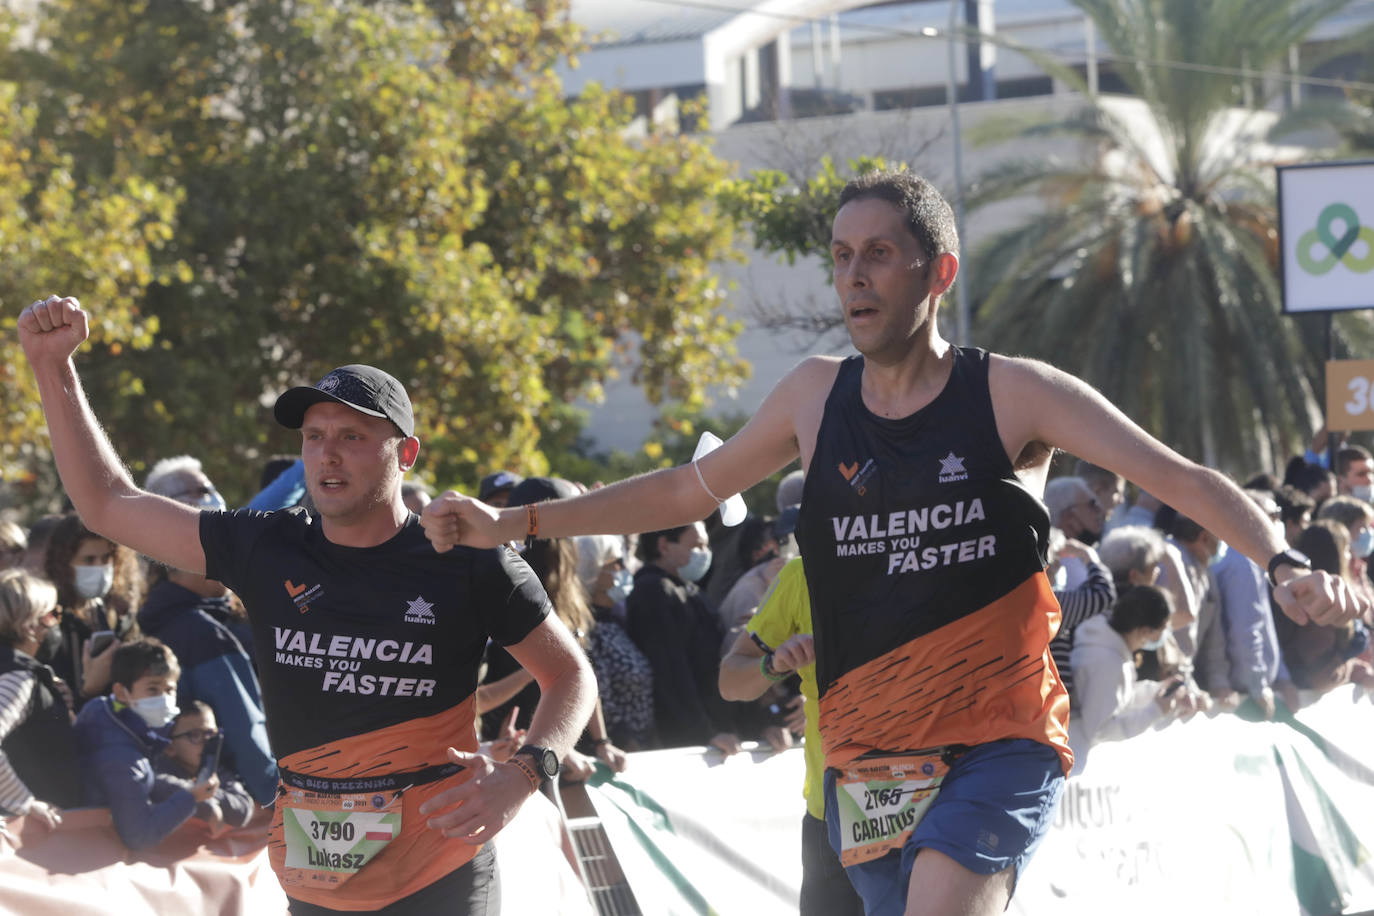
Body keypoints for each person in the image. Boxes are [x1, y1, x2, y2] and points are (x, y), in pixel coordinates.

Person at [420, 169, 1359, 916]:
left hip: (998, 738)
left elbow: (1183, 480)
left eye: (879, 253)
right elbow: (681, 488)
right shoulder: (813, 398)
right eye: (840, 257)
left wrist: (1281, 562)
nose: (855, 275)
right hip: (866, 765)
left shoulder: (1010, 394)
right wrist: (515, 523)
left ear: (938, 271)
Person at [18, 300, 596, 916]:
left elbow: (569, 674)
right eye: (314, 438)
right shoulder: (267, 543)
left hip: (439, 866)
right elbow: (108, 505)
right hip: (319, 869)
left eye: (351, 437)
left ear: (406, 454)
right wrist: (54, 369)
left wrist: (525, 774)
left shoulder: (465, 555)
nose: (327, 455)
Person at [719, 557, 865, 916]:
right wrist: (774, 665)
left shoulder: (950, 559)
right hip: (834, 818)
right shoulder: (805, 571)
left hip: (934, 816)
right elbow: (730, 681)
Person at [139, 455, 277, 805]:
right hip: (252, 803)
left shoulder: (226, 614)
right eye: (200, 490)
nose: (213, 495)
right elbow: (247, 734)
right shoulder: (197, 631)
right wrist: (281, 800)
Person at [74, 637, 218, 849]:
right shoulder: (123, 758)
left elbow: (140, 782)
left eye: (170, 690)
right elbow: (139, 835)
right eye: (152, 689)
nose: (164, 698)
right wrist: (190, 798)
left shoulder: (101, 710)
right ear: (122, 692)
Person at [626, 521, 742, 754]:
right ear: (664, 545)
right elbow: (670, 668)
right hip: (684, 738)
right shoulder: (653, 591)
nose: (705, 554)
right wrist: (705, 732)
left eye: (706, 546)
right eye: (696, 546)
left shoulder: (689, 589)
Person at [1067, 586, 1197, 770]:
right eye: (1163, 629)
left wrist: (1159, 689)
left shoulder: (1106, 643)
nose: (1165, 635)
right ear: (1145, 631)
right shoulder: (1109, 662)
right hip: (1069, 758)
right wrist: (1154, 711)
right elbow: (1099, 730)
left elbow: (1118, 696)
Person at [0, 569, 82, 824]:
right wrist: (23, 802)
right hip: (24, 839)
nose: (57, 623)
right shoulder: (18, 678)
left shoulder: (22, 674)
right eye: (53, 614)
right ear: (30, 624)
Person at [41, 512, 143, 708]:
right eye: (89, 560)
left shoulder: (114, 613)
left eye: (106, 558)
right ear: (64, 563)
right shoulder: (48, 619)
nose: (100, 567)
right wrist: (89, 689)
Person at [575, 533, 656, 750]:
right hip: (612, 752)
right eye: (615, 564)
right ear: (592, 569)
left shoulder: (613, 623)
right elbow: (596, 694)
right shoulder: (582, 631)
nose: (624, 571)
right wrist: (620, 741)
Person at [155, 700, 255, 834]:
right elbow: (154, 784)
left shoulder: (215, 769)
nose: (207, 742)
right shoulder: (158, 768)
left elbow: (244, 809)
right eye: (195, 735)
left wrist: (207, 793)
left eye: (211, 734)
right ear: (169, 746)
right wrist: (201, 802)